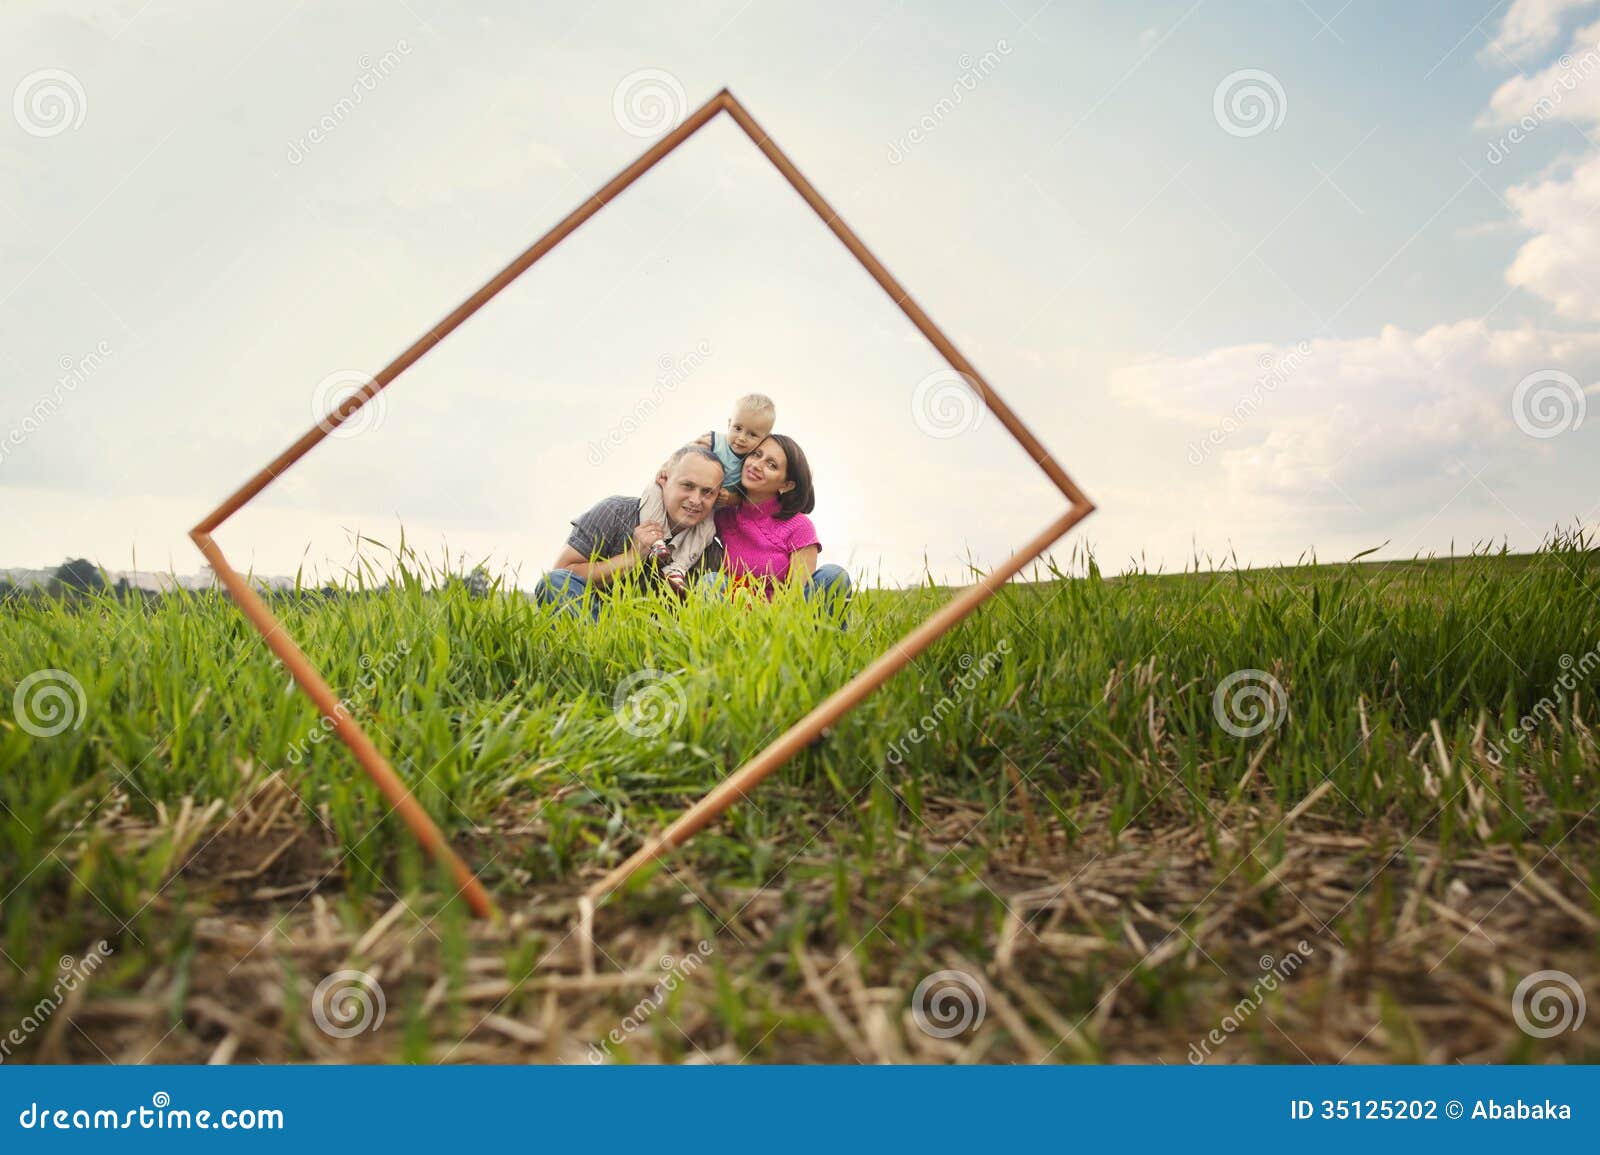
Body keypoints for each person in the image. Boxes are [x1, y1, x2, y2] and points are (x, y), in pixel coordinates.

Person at [535, 444, 723, 616]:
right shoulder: (615, 512)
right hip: (600, 623)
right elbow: (562, 574)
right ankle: (600, 651)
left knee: (717, 583)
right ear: (663, 478)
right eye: (687, 486)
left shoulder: (711, 549)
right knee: (554, 583)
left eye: (707, 492)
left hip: (666, 638)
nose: (696, 500)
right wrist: (632, 558)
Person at [636, 393, 777, 594]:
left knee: (708, 530)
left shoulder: (750, 464)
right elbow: (683, 456)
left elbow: (744, 496)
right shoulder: (713, 440)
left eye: (752, 435)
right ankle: (656, 541)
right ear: (729, 423)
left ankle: (677, 568)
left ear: (765, 438)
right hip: (676, 489)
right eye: (737, 428)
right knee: (653, 493)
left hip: (706, 508)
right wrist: (667, 466)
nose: (742, 437)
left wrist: (731, 498)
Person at [713, 433, 851, 620]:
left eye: (771, 465)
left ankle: (827, 646)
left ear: (786, 485)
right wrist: (668, 471)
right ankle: (719, 644)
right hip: (738, 617)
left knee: (834, 575)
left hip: (785, 621)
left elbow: (797, 598)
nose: (756, 464)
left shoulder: (799, 526)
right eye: (756, 454)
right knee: (710, 581)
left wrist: (766, 619)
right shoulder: (724, 516)